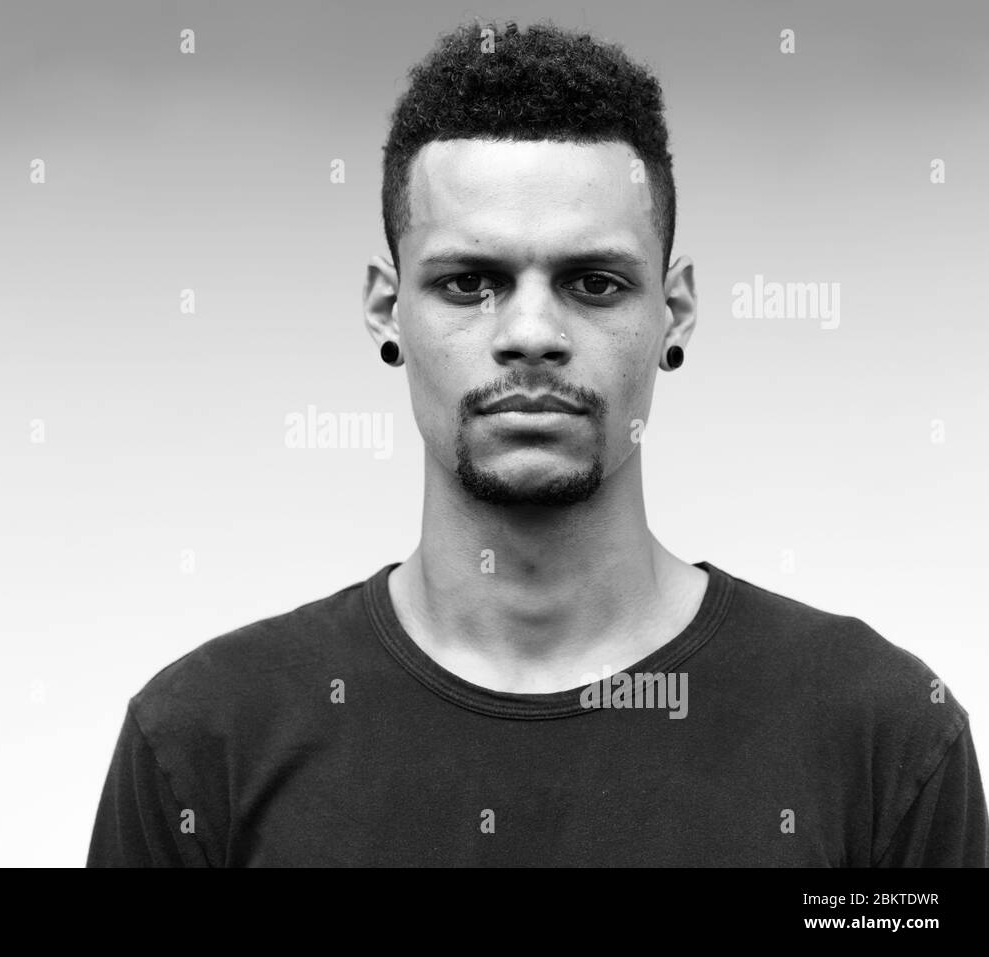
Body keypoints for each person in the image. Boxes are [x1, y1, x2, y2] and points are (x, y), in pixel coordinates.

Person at [87, 19, 987, 866]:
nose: (530, 333)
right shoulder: (203, 745)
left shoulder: (881, 736)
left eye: (592, 282)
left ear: (673, 311)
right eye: (469, 281)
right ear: (385, 308)